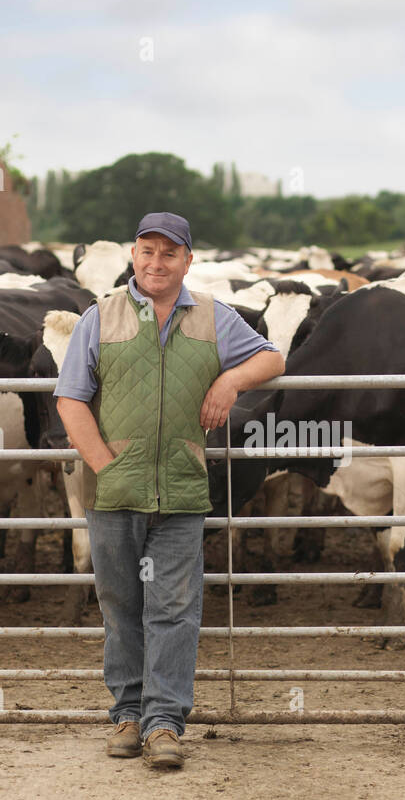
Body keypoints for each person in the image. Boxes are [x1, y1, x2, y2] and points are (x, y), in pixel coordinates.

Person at [54, 212, 285, 769]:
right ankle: (127, 715)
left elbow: (274, 357)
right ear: (134, 256)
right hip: (113, 492)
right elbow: (70, 400)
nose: (157, 263)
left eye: (169, 253)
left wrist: (230, 380)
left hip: (181, 489)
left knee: (175, 609)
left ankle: (164, 724)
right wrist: (105, 466)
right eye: (147, 252)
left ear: (188, 260)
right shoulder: (98, 317)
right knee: (120, 605)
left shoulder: (213, 316)